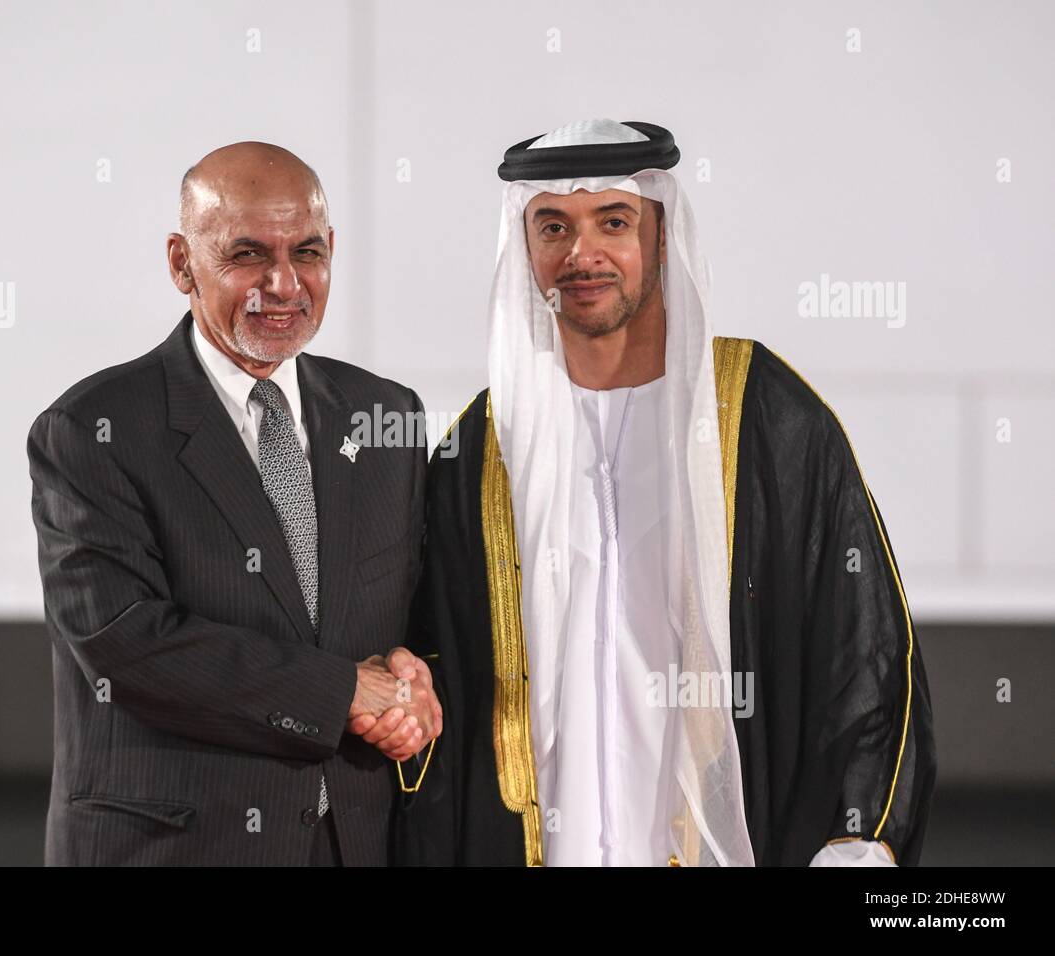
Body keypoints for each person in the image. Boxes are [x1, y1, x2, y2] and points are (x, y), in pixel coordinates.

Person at [391, 119, 935, 867]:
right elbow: (431, 674)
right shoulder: (480, 449)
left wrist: (855, 840)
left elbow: (863, 648)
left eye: (613, 222)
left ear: (660, 235)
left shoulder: (767, 419)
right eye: (553, 227)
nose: (582, 255)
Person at [28, 141, 440, 866]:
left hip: (357, 841)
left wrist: (414, 673)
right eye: (247, 253)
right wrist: (343, 691)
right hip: (178, 846)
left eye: (307, 252)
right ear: (182, 263)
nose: (283, 284)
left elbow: (419, 607)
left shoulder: (385, 415)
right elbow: (125, 644)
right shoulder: (93, 429)